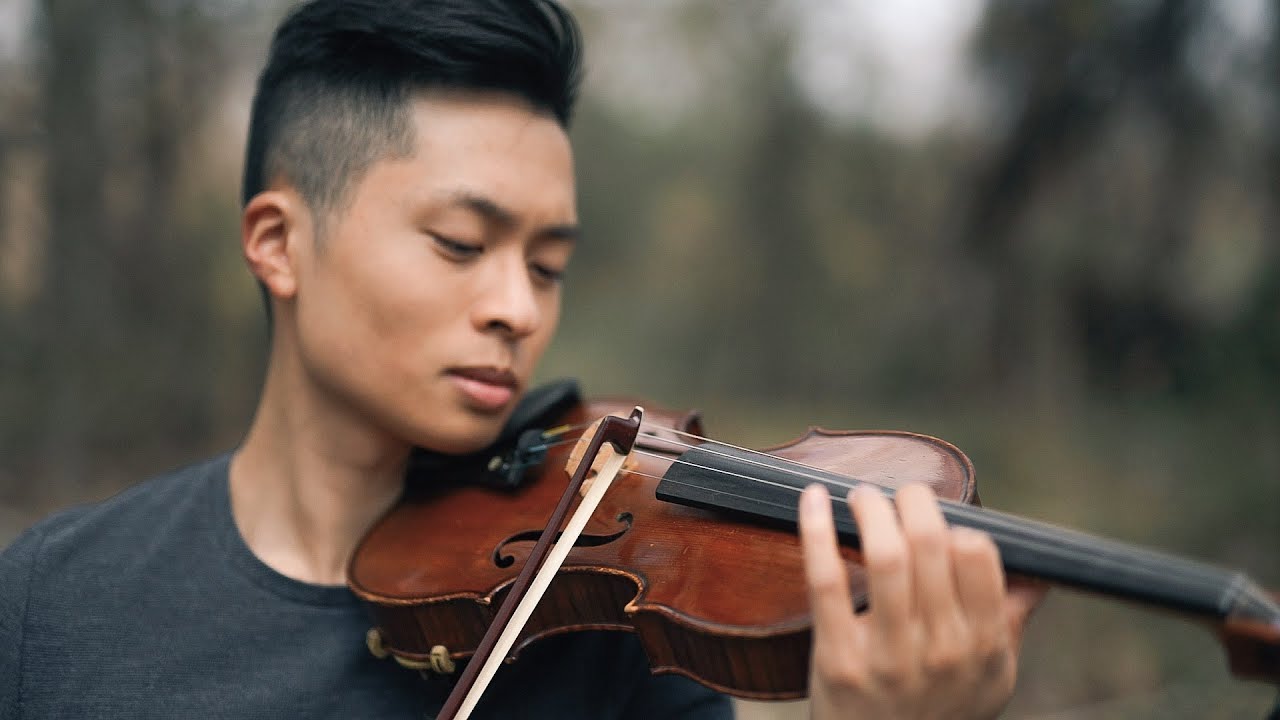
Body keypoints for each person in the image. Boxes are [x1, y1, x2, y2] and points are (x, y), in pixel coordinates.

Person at [0, 1, 1042, 718]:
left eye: (546, 265)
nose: (516, 309)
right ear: (279, 242)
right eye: (460, 244)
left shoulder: (615, 641)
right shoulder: (52, 611)